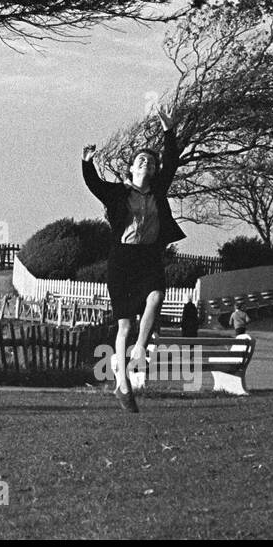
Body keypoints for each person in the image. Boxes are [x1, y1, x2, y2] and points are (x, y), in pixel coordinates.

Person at [82, 106, 185, 413]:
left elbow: (173, 162)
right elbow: (95, 185)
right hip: (123, 260)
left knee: (156, 296)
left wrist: (169, 131)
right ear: (132, 167)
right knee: (124, 324)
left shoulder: (158, 191)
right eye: (142, 160)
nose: (147, 162)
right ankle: (122, 383)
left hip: (148, 256)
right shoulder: (118, 194)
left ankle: (141, 348)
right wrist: (87, 162)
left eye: (151, 162)